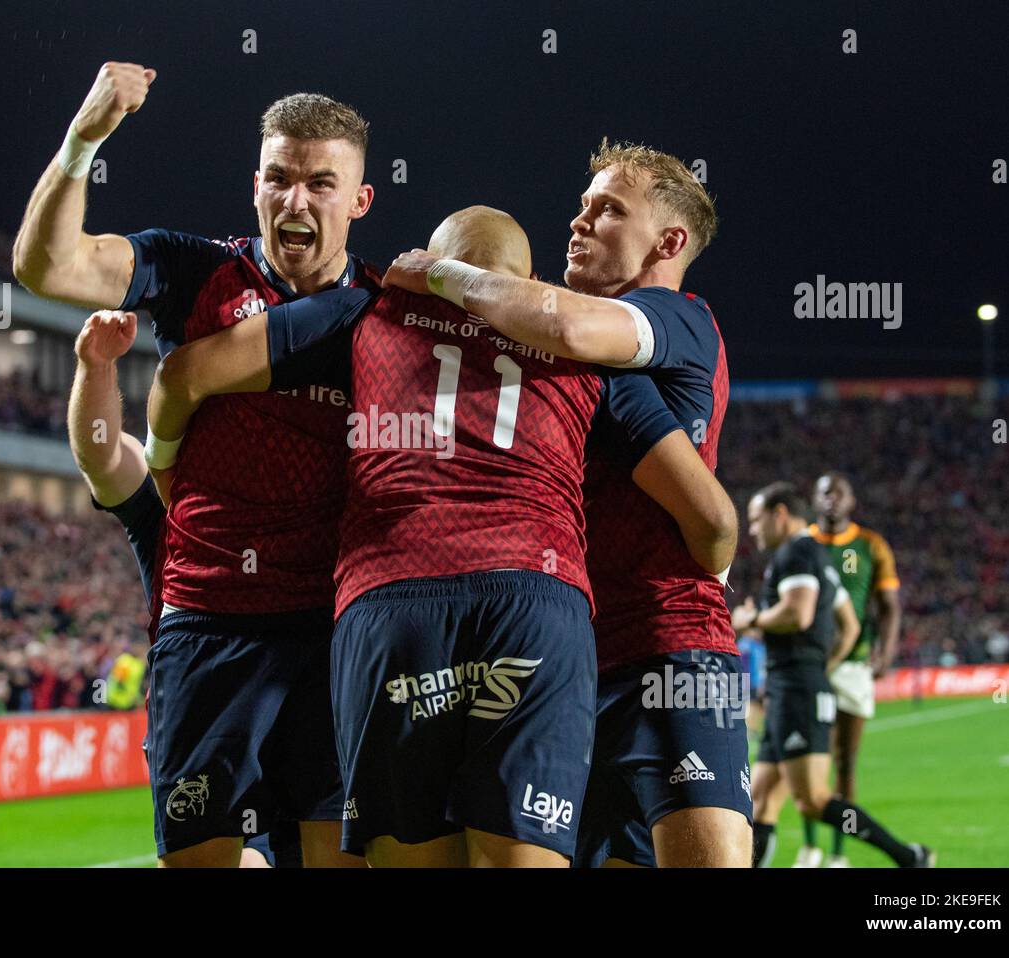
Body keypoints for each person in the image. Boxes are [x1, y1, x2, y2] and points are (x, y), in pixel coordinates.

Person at [147, 205, 736, 867]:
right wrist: (706, 575)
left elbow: (183, 374)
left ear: (426, 265)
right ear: (529, 279)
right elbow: (711, 518)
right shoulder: (580, 355)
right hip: (533, 602)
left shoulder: (365, 313)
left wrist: (165, 471)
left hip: (391, 603)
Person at [15, 60, 375, 867]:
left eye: (322, 183)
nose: (296, 201)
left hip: (337, 632)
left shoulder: (384, 312)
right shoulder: (192, 270)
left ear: (359, 201)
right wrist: (83, 140)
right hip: (210, 628)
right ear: (255, 185)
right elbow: (47, 269)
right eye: (279, 178)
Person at [383, 142, 748, 867]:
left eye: (608, 210)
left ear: (669, 242)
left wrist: (440, 272)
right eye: (582, 207)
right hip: (564, 662)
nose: (579, 223)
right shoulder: (560, 368)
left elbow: (715, 527)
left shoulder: (673, 319)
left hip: (668, 648)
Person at [66, 308, 284, 868]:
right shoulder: (163, 504)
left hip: (304, 699)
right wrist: (95, 368)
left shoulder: (297, 488)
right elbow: (102, 455)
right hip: (203, 712)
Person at [733, 482, 933, 868]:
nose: (753, 530)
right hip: (793, 686)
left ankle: (908, 856)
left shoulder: (795, 552)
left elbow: (799, 613)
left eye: (757, 520)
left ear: (780, 514)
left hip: (796, 689)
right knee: (758, 801)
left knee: (813, 801)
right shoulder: (819, 556)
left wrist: (752, 618)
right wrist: (825, 665)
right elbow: (849, 625)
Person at [801, 470, 902, 868]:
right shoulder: (802, 544)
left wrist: (887, 652)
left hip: (854, 666)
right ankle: (811, 850)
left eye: (839, 493)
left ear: (852, 501)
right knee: (808, 761)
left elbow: (890, 606)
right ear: (814, 499)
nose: (831, 499)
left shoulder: (871, 545)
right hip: (810, 665)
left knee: (845, 762)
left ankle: (838, 854)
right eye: (824, 492)